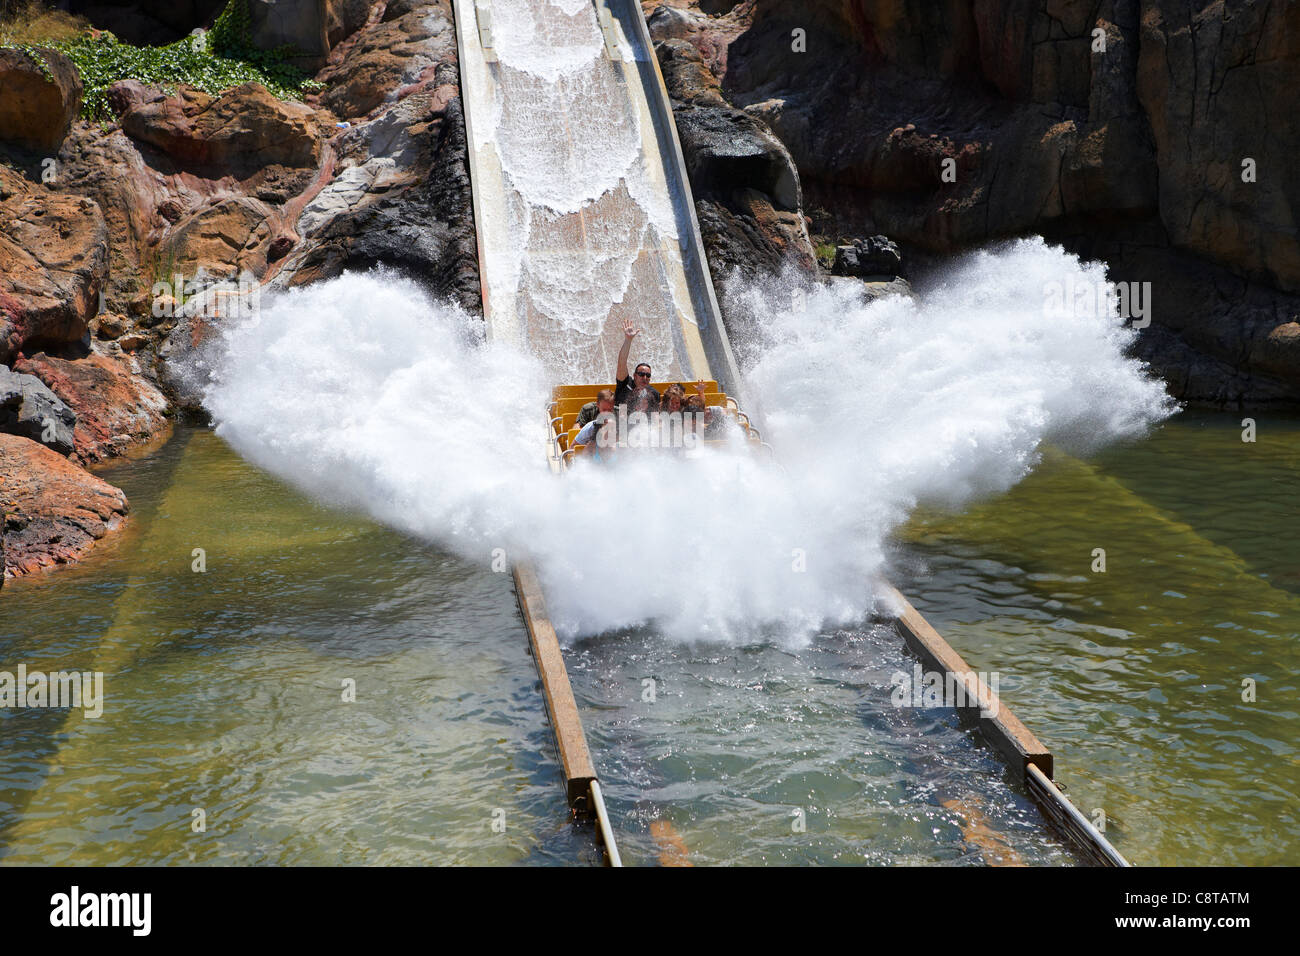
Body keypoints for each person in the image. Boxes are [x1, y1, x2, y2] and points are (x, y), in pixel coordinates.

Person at [613, 318, 660, 411]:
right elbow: (621, 363)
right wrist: (628, 340)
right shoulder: (625, 384)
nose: (645, 378)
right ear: (634, 375)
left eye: (648, 375)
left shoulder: (653, 393)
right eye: (641, 374)